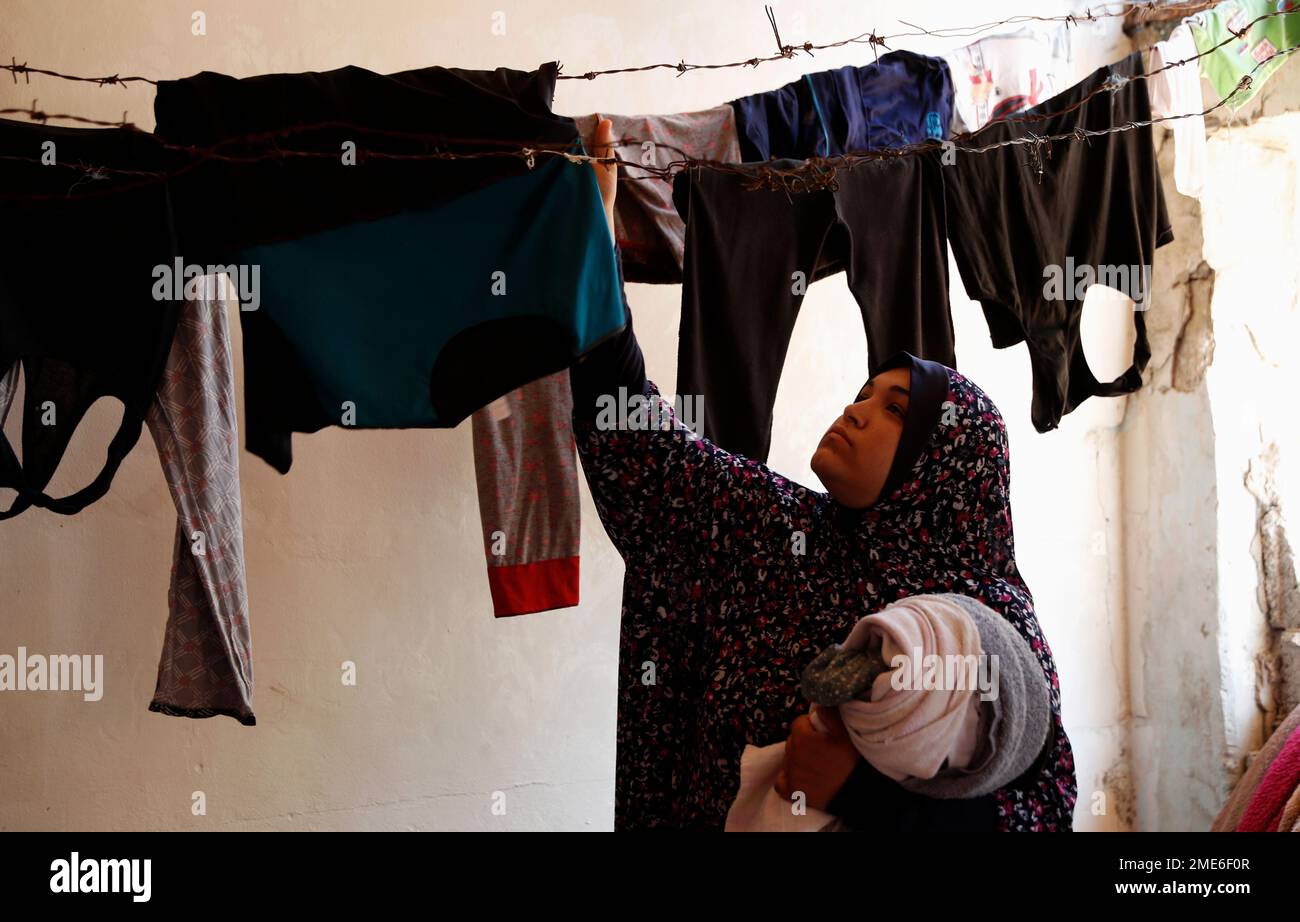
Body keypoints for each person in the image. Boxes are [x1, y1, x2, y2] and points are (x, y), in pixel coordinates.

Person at [569, 118, 1077, 830]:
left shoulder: (981, 626)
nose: (857, 411)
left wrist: (857, 793)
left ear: (945, 469)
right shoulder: (770, 531)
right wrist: (591, 247)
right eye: (863, 393)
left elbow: (1036, 815)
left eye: (895, 408)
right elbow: (640, 442)